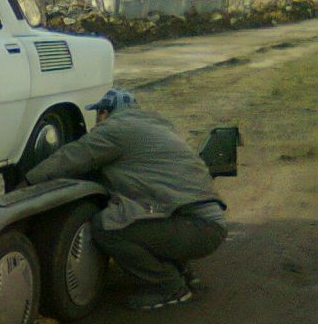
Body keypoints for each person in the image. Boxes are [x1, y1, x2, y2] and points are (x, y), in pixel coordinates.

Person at [24, 88, 228, 310]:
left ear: (105, 112)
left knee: (109, 228)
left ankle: (169, 287)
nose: (96, 121)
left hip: (196, 226)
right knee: (143, 215)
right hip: (206, 223)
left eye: (98, 115)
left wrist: (27, 183)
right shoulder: (156, 127)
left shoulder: (115, 129)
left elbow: (70, 157)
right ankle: (182, 271)